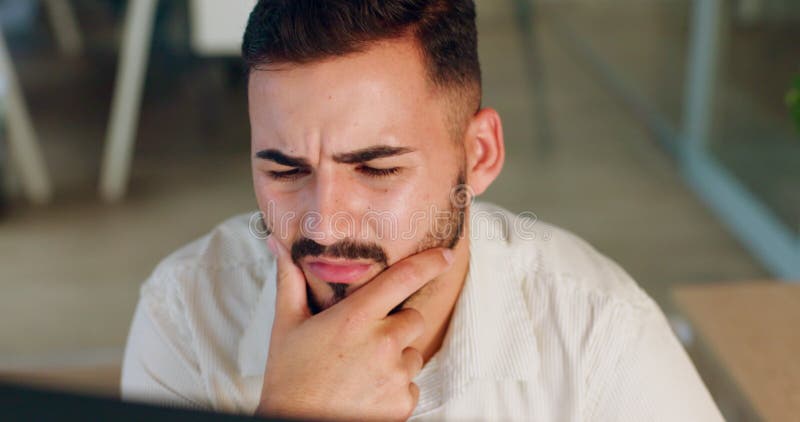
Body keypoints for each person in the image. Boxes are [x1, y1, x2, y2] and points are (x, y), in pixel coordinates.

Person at [121, 1, 723, 420]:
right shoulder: (187, 312)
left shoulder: (598, 333)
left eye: (378, 170)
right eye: (285, 170)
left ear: (479, 155)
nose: (325, 225)